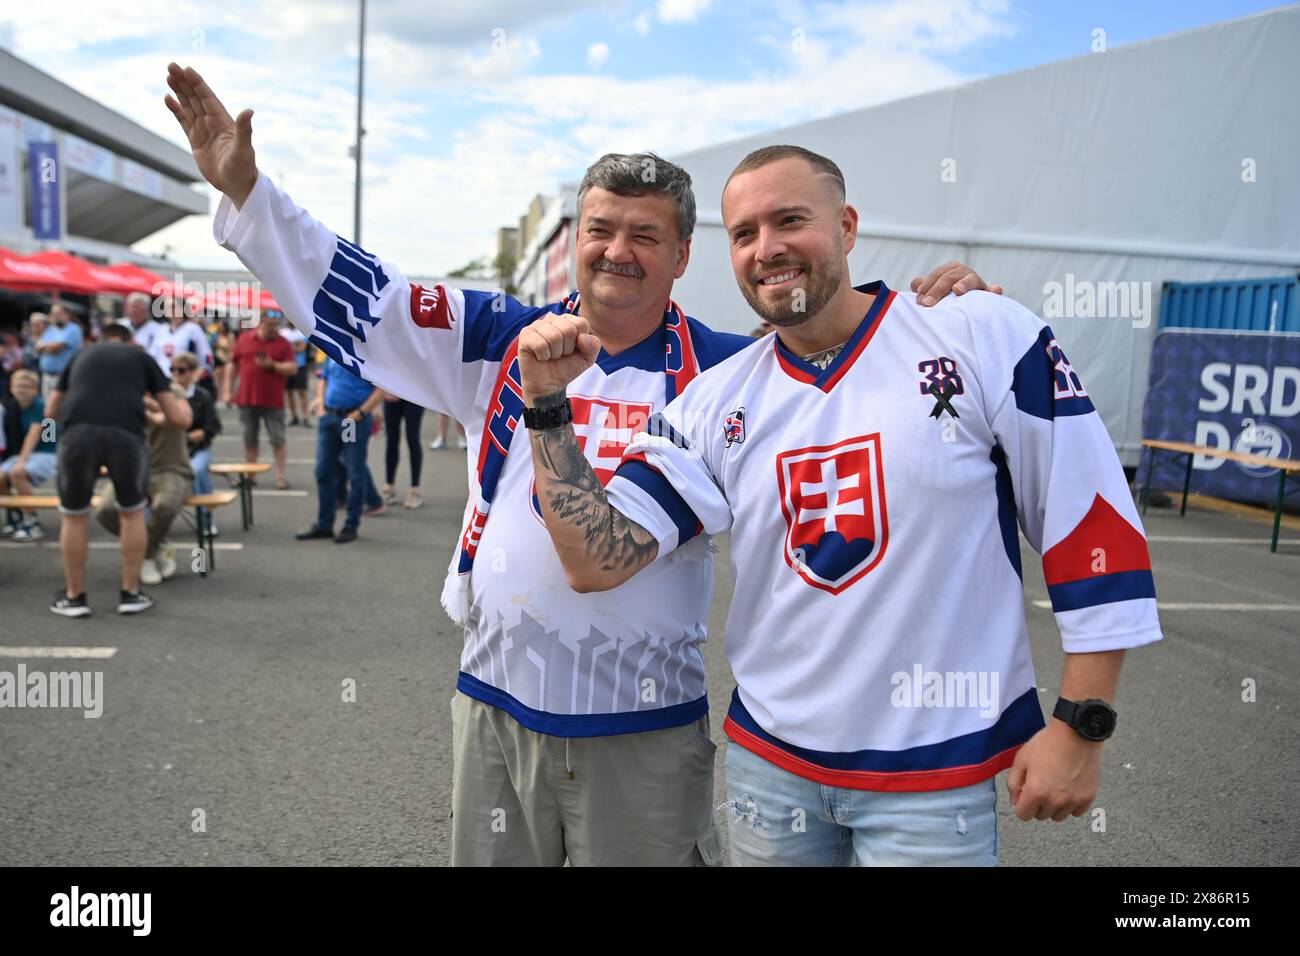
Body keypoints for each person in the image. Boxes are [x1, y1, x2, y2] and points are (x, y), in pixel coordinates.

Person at [166, 61, 994, 866]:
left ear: (680, 256)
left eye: (645, 235)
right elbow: (370, 298)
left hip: (645, 729)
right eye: (600, 229)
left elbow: (853, 387)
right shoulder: (494, 336)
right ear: (576, 245)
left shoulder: (732, 372)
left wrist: (937, 318)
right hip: (495, 712)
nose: (616, 251)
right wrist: (250, 196)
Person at [520, 145, 1164, 866]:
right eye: (744, 234)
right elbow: (594, 560)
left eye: (790, 219)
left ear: (848, 225)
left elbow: (1093, 522)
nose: (768, 249)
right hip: (771, 775)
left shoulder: (979, 332)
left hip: (932, 781)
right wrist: (548, 404)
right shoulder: (714, 402)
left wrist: (1081, 725)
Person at [46, 322, 192, 617]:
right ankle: (130, 593)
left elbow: (51, 411)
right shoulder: (142, 358)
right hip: (126, 435)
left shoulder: (81, 356)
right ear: (131, 341)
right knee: (132, 512)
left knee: (74, 516)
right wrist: (149, 405)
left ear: (100, 338)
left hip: (78, 434)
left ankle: (75, 597)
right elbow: (179, 419)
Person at [96, 378, 194, 586]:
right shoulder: (119, 395)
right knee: (104, 511)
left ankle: (146, 556)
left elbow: (181, 419)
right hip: (131, 468)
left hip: (171, 468)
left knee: (165, 506)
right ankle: (154, 548)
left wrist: (147, 407)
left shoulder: (172, 391)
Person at [296, 358, 384, 543]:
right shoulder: (334, 349)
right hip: (329, 418)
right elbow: (324, 378)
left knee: (354, 470)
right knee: (323, 470)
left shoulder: (366, 354)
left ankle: (351, 525)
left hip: (351, 421)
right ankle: (324, 524)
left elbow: (381, 388)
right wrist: (321, 403)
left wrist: (360, 413)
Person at [228, 311, 295, 489]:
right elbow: (232, 365)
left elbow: (292, 368)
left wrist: (273, 365)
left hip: (273, 400)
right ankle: (251, 476)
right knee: (250, 439)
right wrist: (228, 390)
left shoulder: (283, 343)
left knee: (278, 439)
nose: (275, 329)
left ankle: (280, 477)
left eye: (277, 325)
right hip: (247, 398)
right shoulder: (244, 339)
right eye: (271, 325)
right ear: (261, 322)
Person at [0, 369, 57, 540]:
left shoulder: (40, 405)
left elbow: (34, 435)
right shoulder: (13, 407)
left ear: (36, 389)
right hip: (30, 453)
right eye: (19, 386)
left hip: (49, 453)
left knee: (17, 472)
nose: (22, 389)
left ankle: (32, 521)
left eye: (27, 386)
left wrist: (21, 461)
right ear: (11, 388)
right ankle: (16, 515)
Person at [173, 352, 222, 533]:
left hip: (198, 448)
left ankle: (206, 520)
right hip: (171, 450)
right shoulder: (166, 396)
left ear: (193, 372)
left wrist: (195, 435)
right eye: (173, 370)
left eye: (181, 370)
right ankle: (150, 526)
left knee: (195, 470)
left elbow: (213, 426)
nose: (176, 374)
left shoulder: (203, 396)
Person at [149, 293, 214, 381]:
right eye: (166, 307)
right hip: (162, 380)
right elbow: (152, 356)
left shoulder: (193, 329)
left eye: (173, 306)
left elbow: (207, 357)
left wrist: (195, 378)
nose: (169, 310)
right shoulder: (161, 330)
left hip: (183, 380)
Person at [380, 391, 424, 509]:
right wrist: (385, 389)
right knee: (391, 440)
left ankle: (415, 490)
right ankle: (389, 487)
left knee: (412, 439)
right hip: (391, 393)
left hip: (414, 394)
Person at [36, 304, 83, 398]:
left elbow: (58, 347)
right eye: (53, 313)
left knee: (58, 407)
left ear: (67, 314)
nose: (54, 316)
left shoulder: (73, 329)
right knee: (47, 407)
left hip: (62, 377)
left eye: (58, 313)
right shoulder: (51, 329)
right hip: (46, 376)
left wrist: (45, 348)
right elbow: (38, 346)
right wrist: (49, 348)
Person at [279, 316, 311, 425]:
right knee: (289, 393)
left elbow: (301, 348)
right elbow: (282, 349)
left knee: (302, 392)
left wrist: (289, 347)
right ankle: (294, 417)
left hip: (300, 366)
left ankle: (305, 417)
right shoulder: (282, 332)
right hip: (287, 366)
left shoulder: (301, 332)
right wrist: (294, 346)